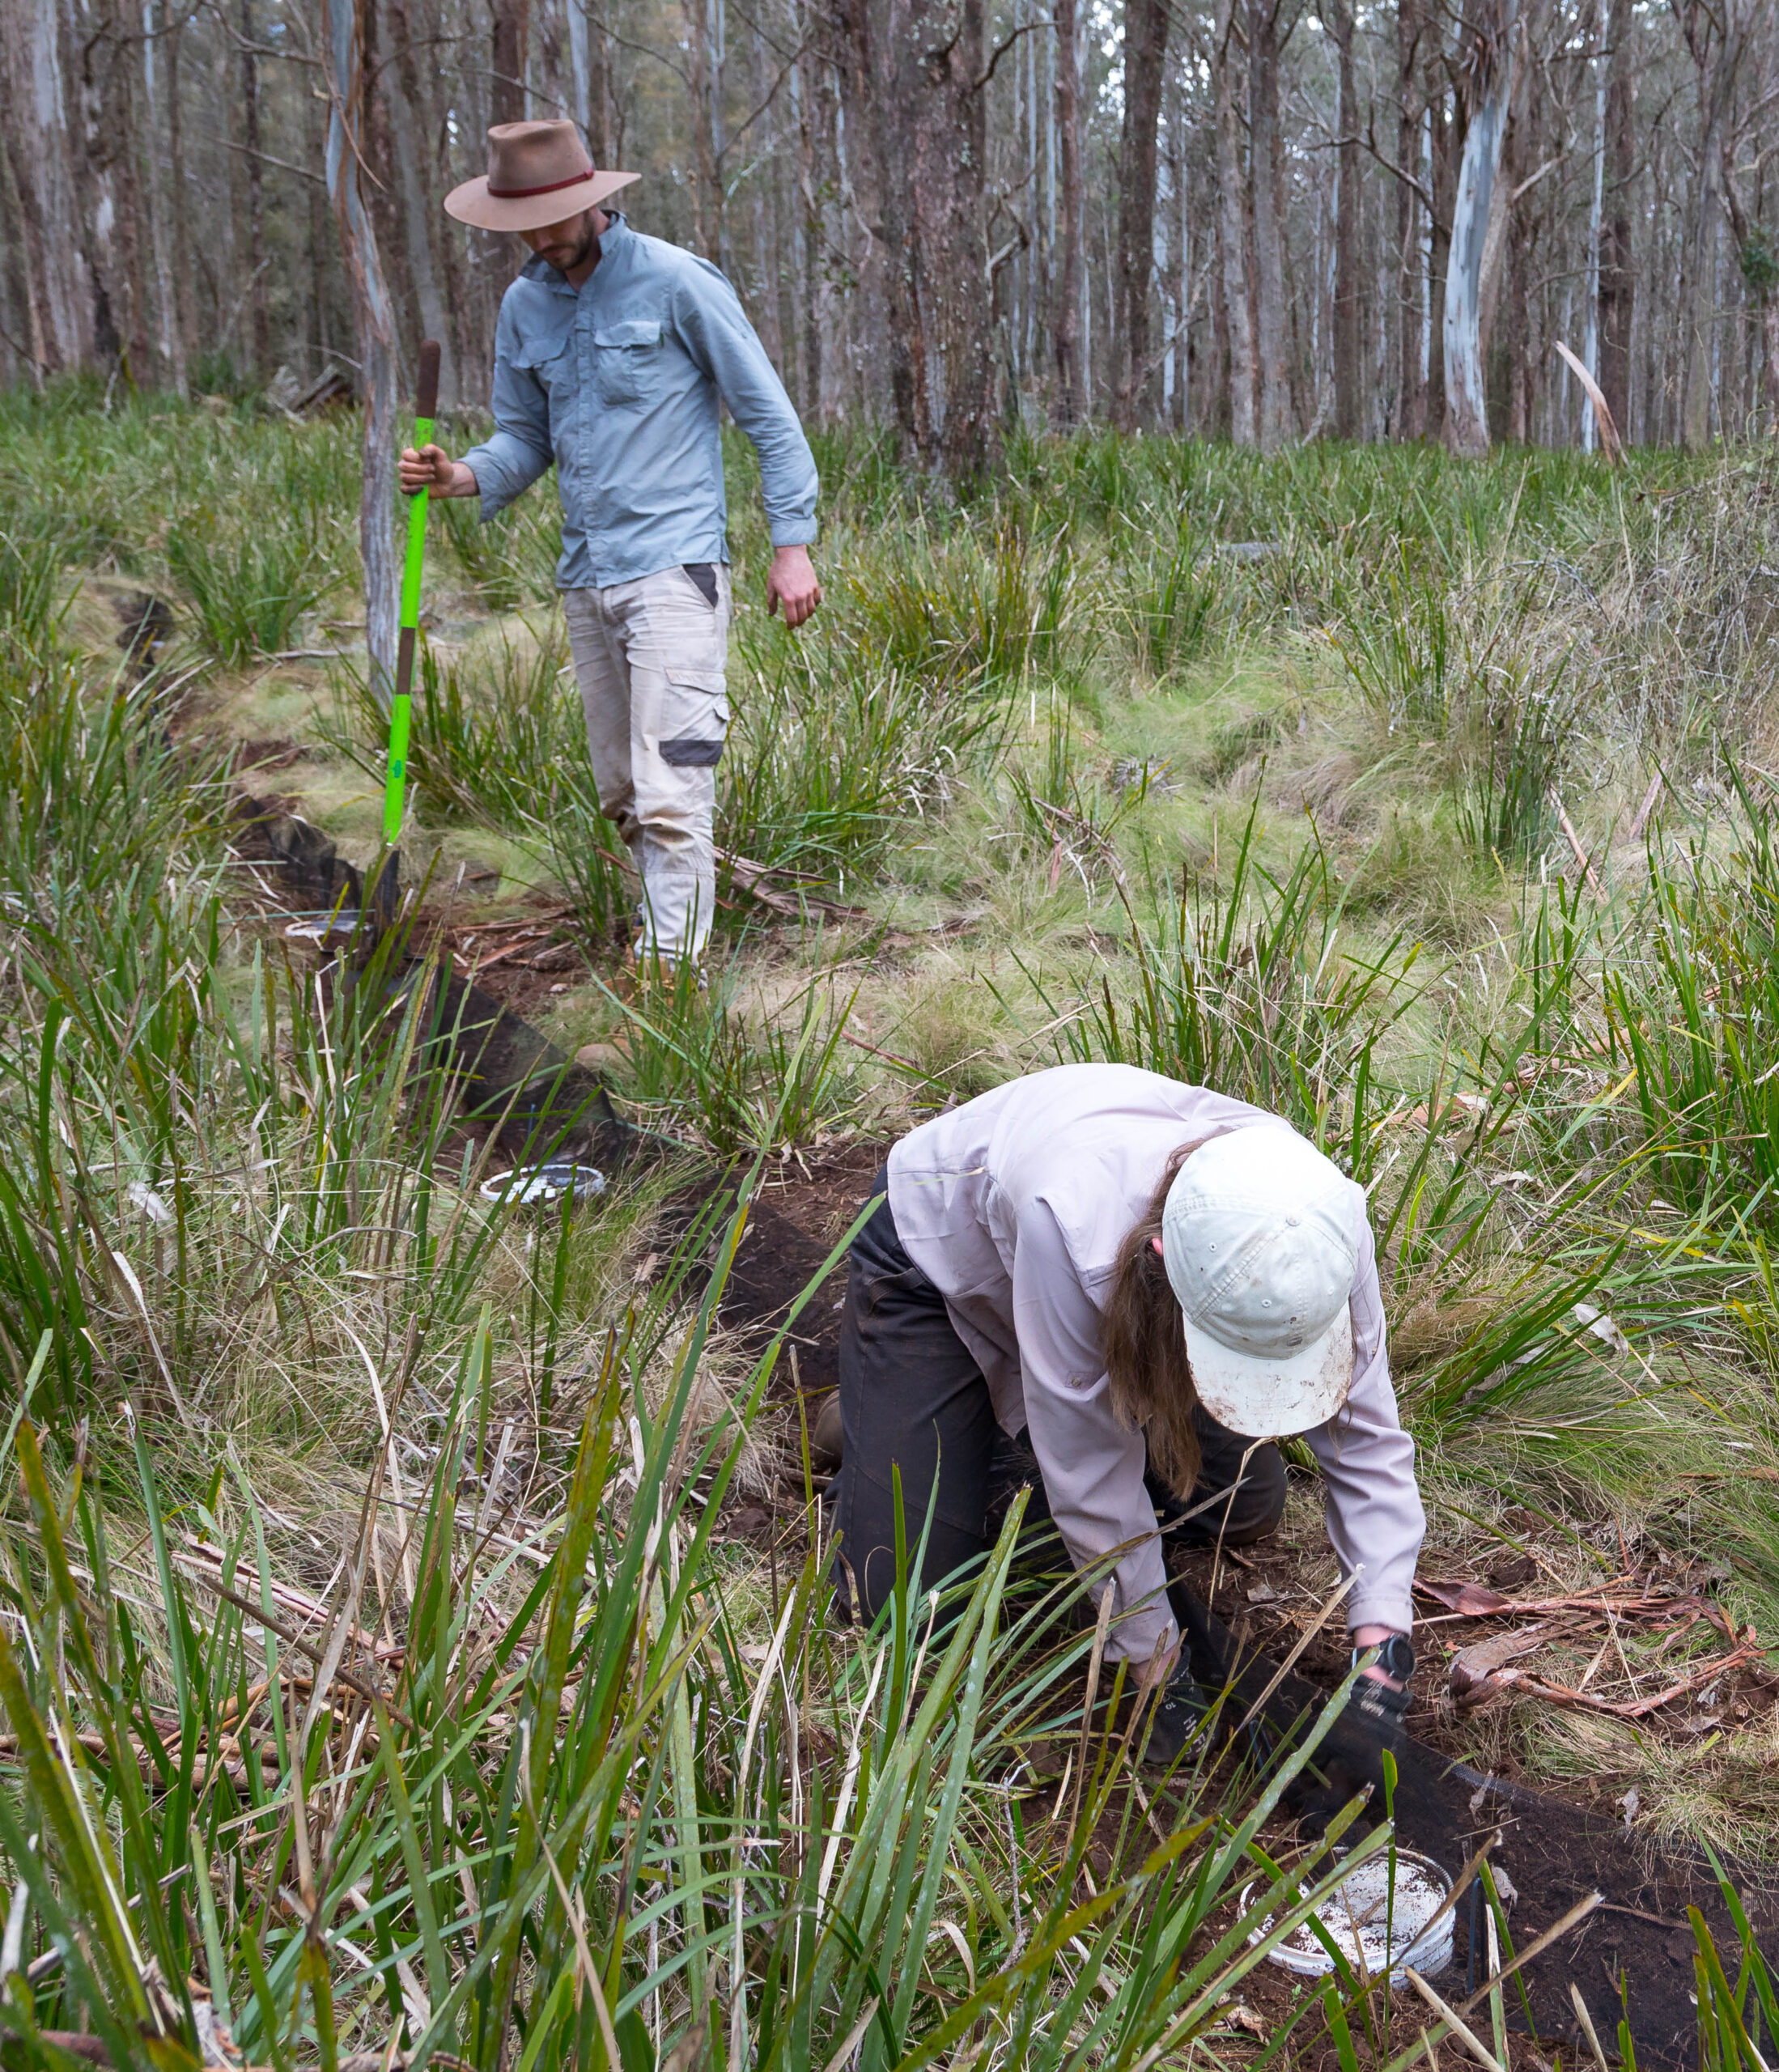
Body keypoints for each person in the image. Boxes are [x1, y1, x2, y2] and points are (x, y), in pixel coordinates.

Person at [830, 1062, 1425, 1773]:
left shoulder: (1321, 1224)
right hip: (937, 1256)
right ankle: (891, 1414)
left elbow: (1366, 1438)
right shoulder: (1072, 1227)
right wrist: (1154, 1665)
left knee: (1242, 1500)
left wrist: (1383, 1640)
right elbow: (1091, 1472)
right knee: (903, 1602)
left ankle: (972, 1427)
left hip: (1104, 1269)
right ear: (1164, 1263)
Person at [400, 120, 822, 972]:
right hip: (586, 577)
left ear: (596, 199)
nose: (545, 234)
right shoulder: (525, 307)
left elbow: (771, 421)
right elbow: (524, 438)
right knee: (625, 794)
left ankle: (669, 980)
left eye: (558, 214)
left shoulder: (676, 282)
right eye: (526, 220)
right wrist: (460, 478)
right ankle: (661, 928)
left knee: (671, 787)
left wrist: (792, 545)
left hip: (673, 569)